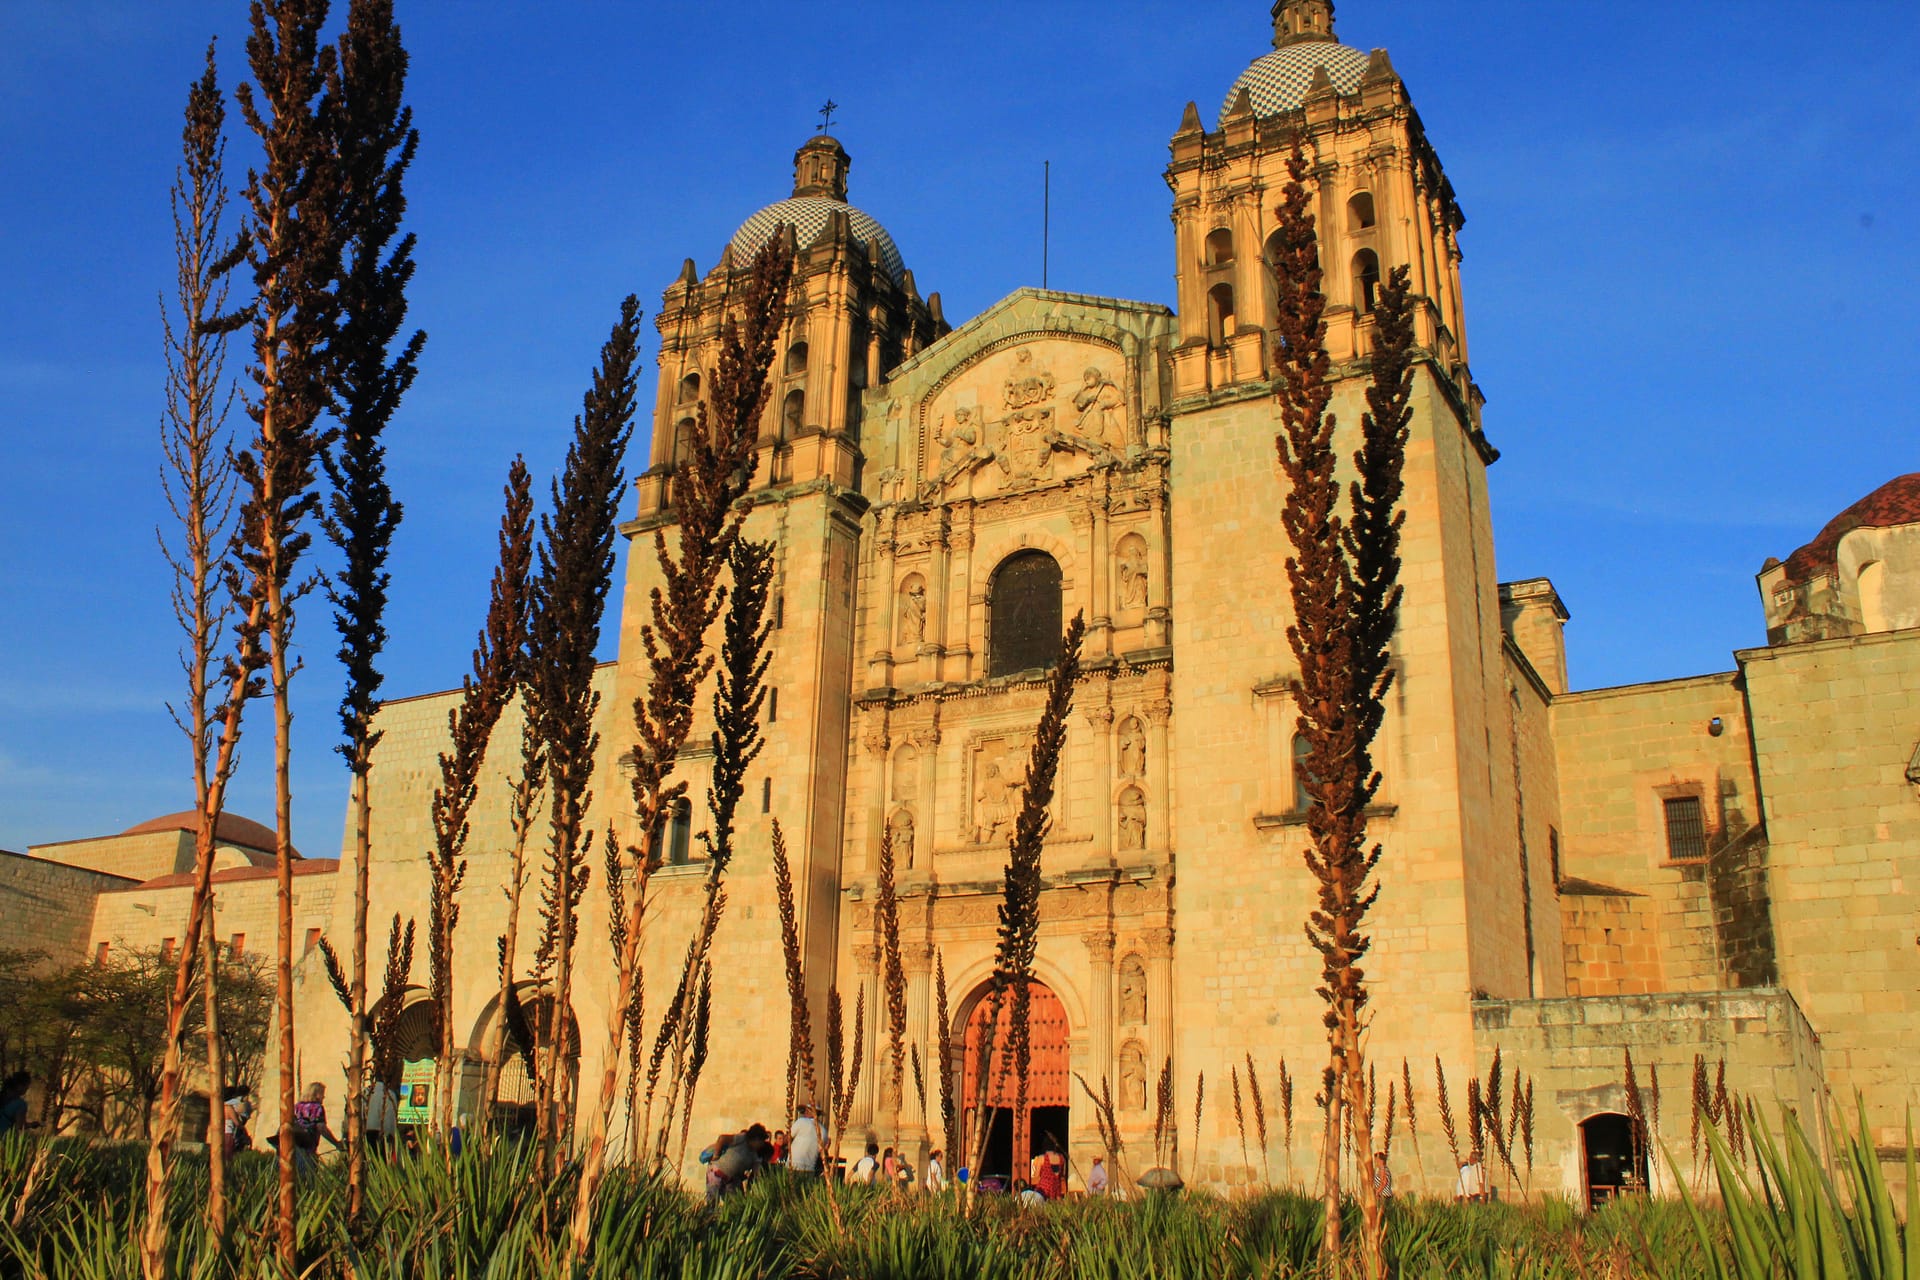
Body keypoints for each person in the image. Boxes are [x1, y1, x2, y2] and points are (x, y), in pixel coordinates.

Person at [290, 1082, 342, 1174]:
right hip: (308, 1149)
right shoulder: (317, 1108)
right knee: (308, 1177)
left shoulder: (296, 1107)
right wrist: (336, 1143)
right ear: (316, 1094)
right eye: (322, 1093)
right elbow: (321, 1128)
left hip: (293, 1148)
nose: (323, 1097)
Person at [712, 1123, 769, 1202]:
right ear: (756, 1139)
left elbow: (757, 1171)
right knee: (712, 1199)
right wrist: (716, 1155)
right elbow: (722, 1138)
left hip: (732, 1179)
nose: (761, 1145)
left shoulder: (755, 1154)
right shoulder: (742, 1138)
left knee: (735, 1202)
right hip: (717, 1172)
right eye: (761, 1141)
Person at [364, 1078, 398, 1157]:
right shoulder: (389, 1094)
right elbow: (389, 1121)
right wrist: (390, 1136)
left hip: (365, 1135)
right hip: (380, 1136)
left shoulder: (364, 1093)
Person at [788, 1104, 824, 1176]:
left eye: (806, 1111)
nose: (804, 1113)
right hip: (810, 1169)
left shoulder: (801, 1121)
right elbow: (822, 1150)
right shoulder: (824, 1131)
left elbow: (788, 1138)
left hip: (793, 1165)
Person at [1030, 1135, 1067, 1201]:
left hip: (1044, 1190)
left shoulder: (1042, 1158)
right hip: (1057, 1190)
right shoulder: (1062, 1158)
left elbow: (1036, 1176)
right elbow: (1063, 1175)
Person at [222, 1085, 253, 1155]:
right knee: (229, 1153)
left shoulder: (222, 1105)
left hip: (221, 1132)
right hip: (230, 1132)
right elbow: (238, 1122)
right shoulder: (235, 1105)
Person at [0, 1072, 31, 1138]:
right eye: (26, 1086)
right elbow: (20, 1125)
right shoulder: (20, 1104)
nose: (27, 1089)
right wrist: (32, 1125)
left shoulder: (2, 1095)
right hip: (5, 1137)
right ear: (20, 1086)